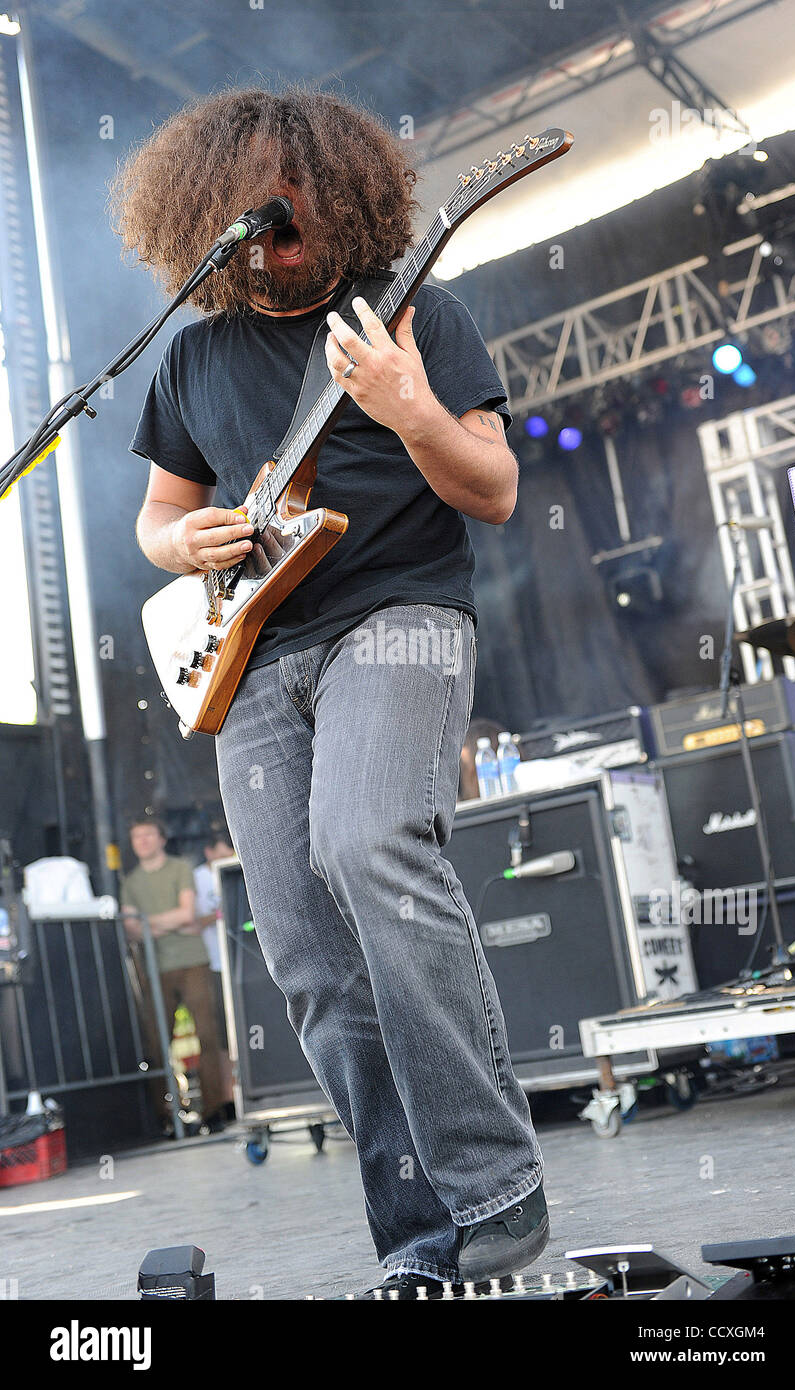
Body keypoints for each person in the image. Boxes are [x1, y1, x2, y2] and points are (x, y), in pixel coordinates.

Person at [113, 86, 547, 1298]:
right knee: (301, 945)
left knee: (367, 843)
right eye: (246, 202)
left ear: (339, 195)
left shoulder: (414, 315)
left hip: (397, 613)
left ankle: (494, 1190)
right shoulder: (192, 357)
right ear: (208, 218)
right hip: (254, 654)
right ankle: (416, 1241)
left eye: (289, 194)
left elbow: (496, 490)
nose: (271, 218)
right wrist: (187, 540)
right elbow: (155, 521)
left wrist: (409, 409)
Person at [120, 819, 224, 1127]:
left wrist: (149, 923)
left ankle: (215, 1111)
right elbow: (131, 930)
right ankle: (165, 1117)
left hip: (193, 961)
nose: (143, 841)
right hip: (154, 968)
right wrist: (174, 923)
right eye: (136, 836)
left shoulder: (180, 868)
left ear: (162, 838)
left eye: (148, 834)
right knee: (156, 1042)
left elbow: (187, 913)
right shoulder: (131, 882)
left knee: (207, 1035)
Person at [193, 831, 235, 1111]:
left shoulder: (237, 870)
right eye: (220, 854)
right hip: (213, 964)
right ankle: (229, 1097)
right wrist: (220, 914)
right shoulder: (197, 878)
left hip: (240, 961)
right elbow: (193, 921)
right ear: (209, 853)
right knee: (221, 1036)